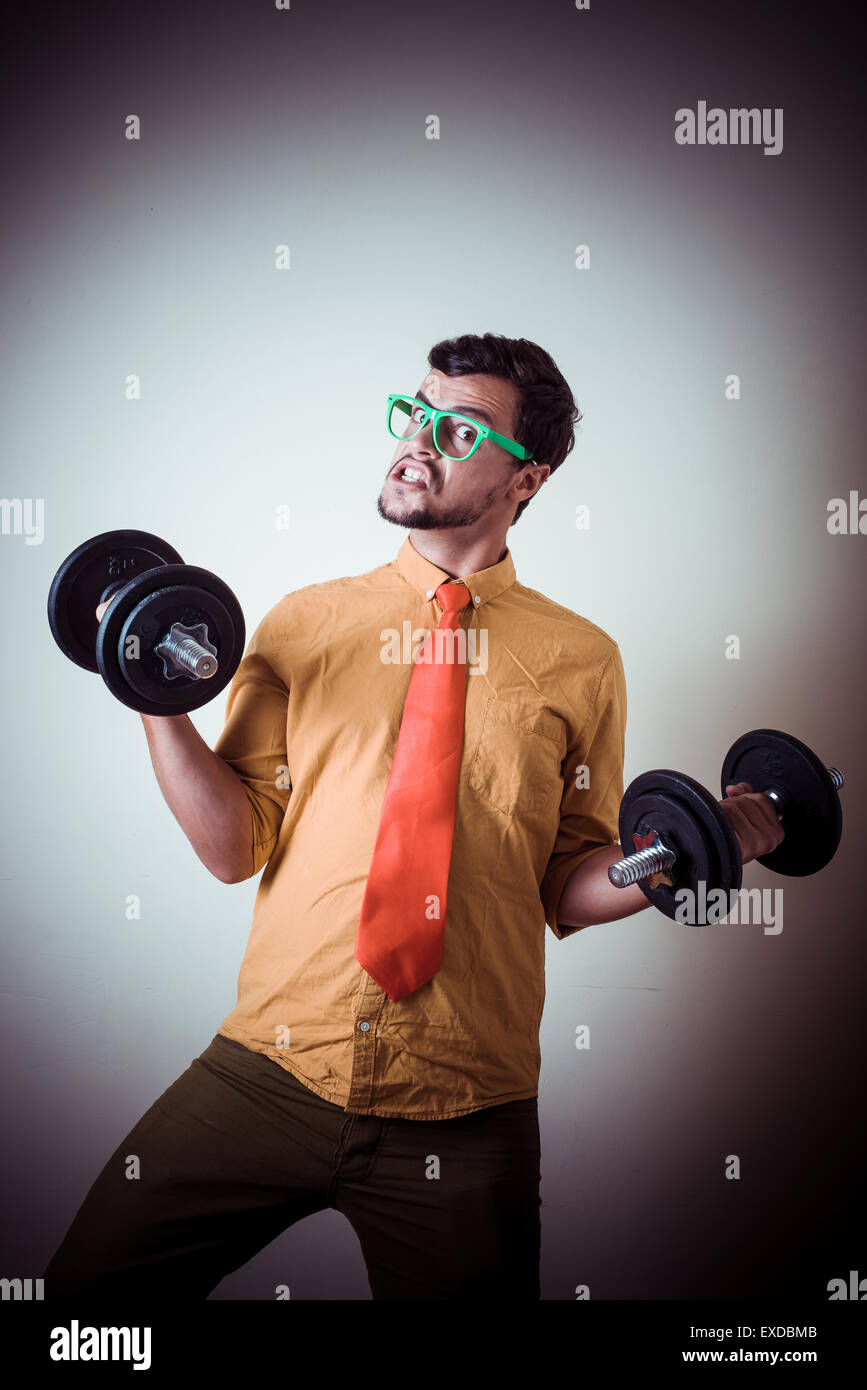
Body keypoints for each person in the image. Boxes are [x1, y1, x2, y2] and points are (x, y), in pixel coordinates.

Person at [43, 332, 783, 1300]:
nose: (417, 441)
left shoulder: (582, 658)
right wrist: (153, 694)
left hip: (467, 1103)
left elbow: (566, 879)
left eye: (459, 427)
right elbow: (233, 849)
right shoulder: (300, 623)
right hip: (269, 1071)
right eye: (414, 414)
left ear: (530, 478)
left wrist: (689, 849)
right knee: (79, 1315)